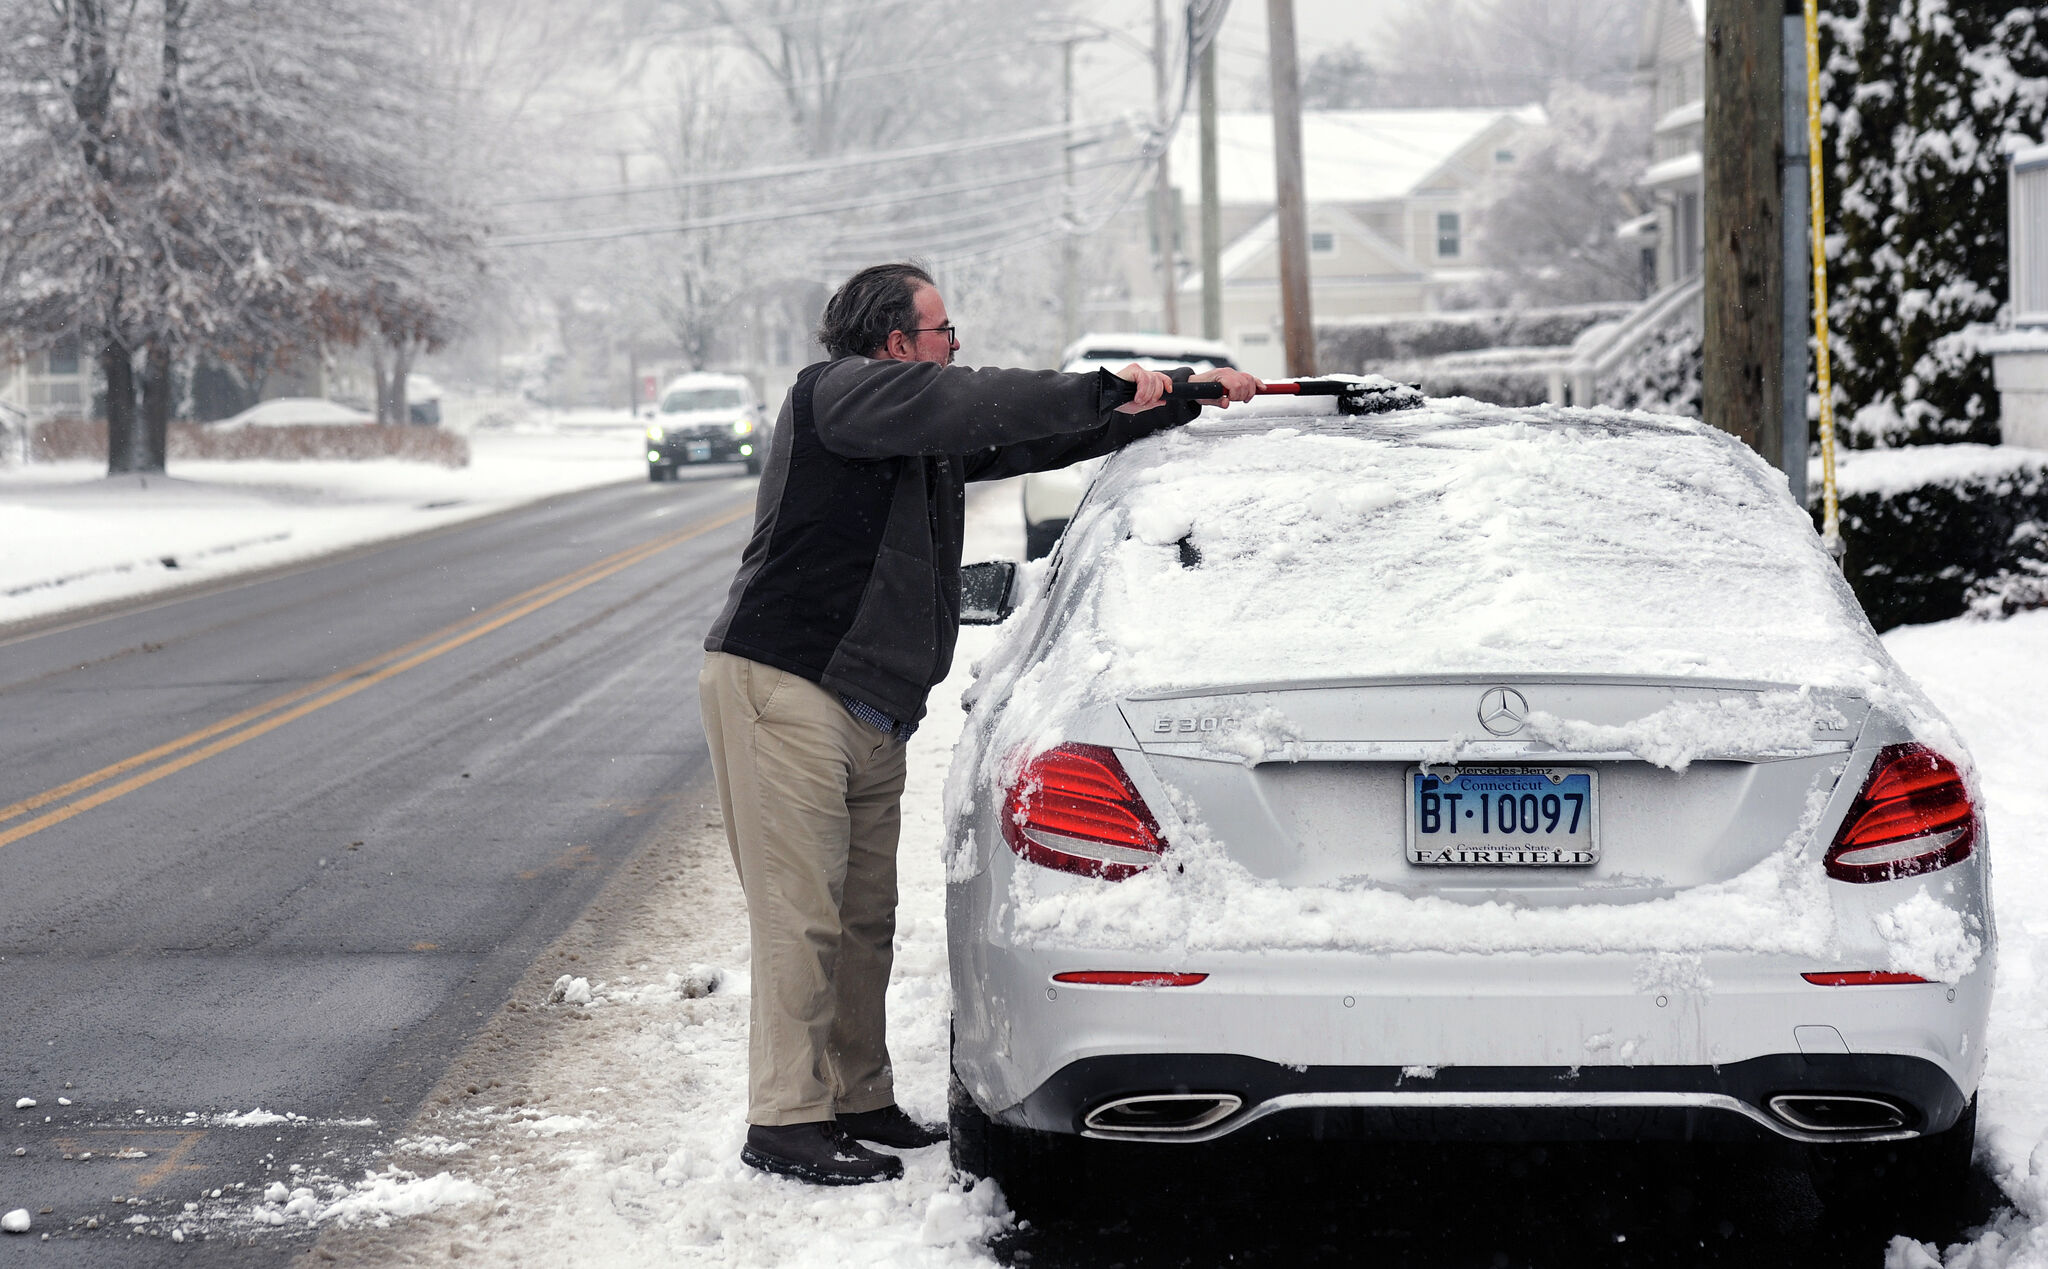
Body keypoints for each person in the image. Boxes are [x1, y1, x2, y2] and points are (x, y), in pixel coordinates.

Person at [698, 262, 1260, 1185]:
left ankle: (856, 1095)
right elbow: (984, 400)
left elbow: (1033, 434)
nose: (956, 347)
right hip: (785, 687)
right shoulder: (836, 396)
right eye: (942, 332)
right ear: (894, 347)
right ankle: (785, 1117)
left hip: (868, 706)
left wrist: (1178, 402)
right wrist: (1112, 377)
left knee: (863, 917)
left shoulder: (912, 435)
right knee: (802, 918)